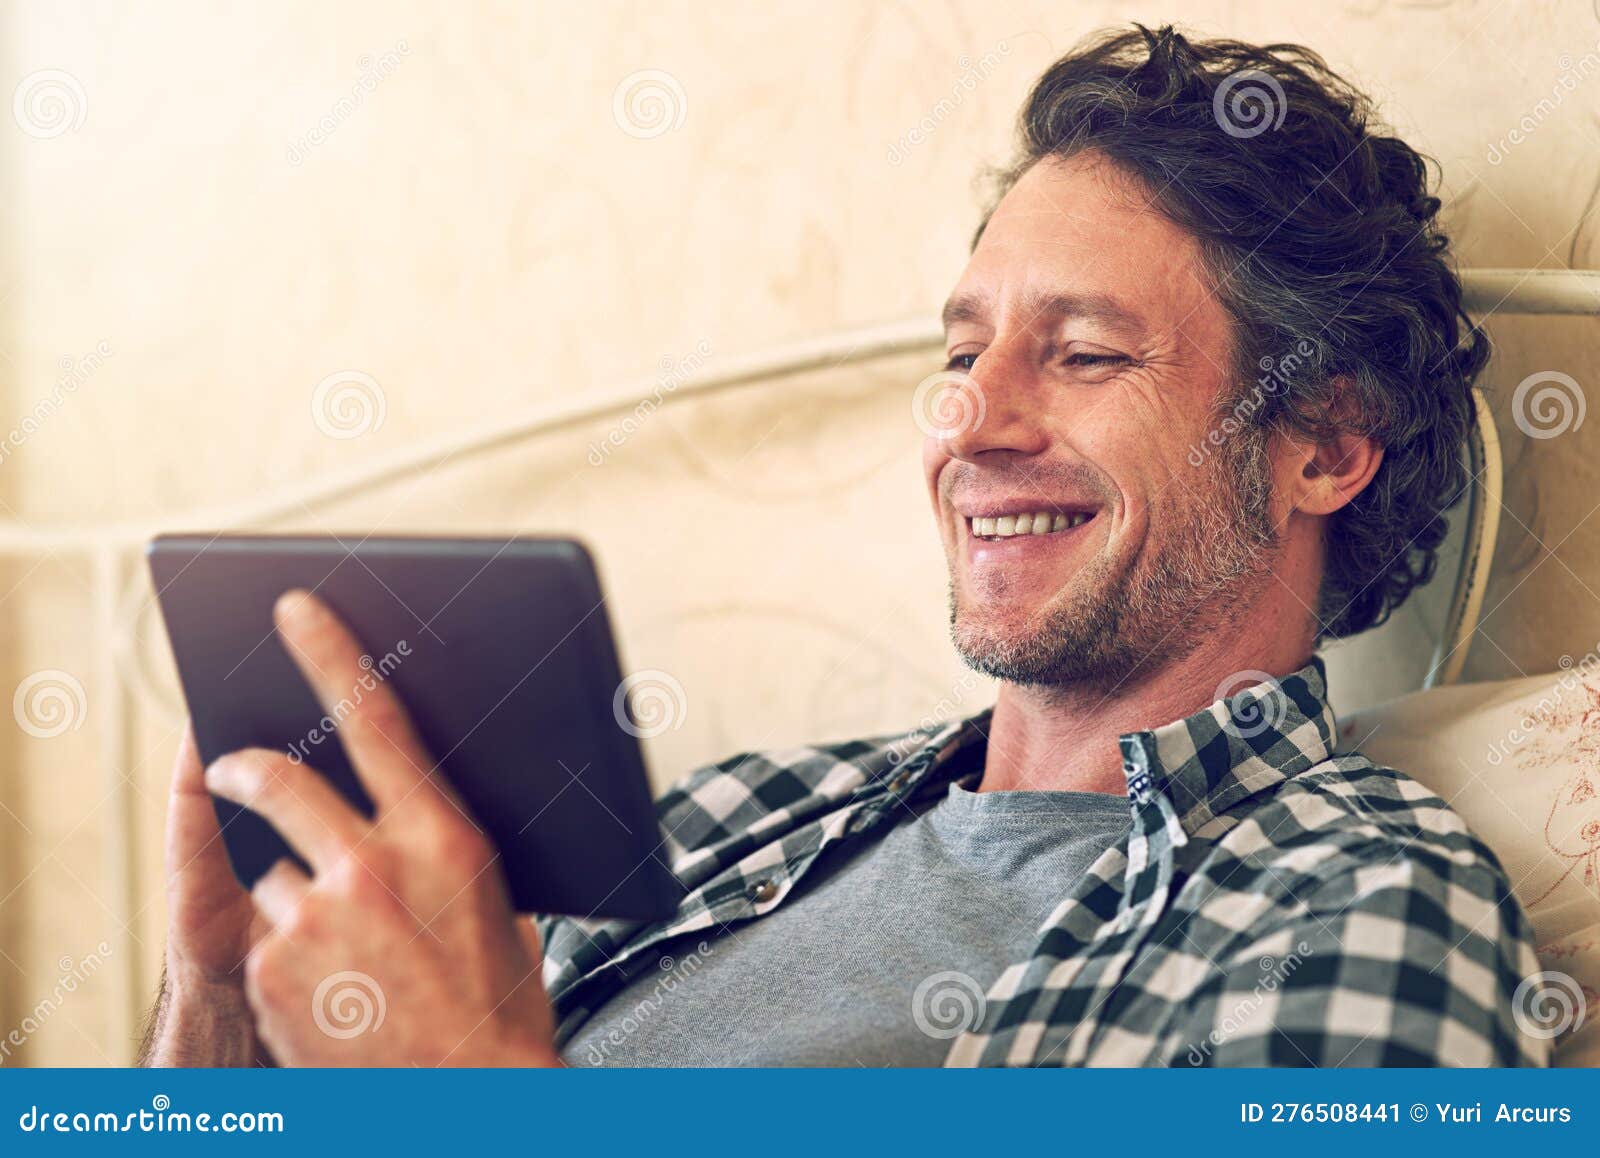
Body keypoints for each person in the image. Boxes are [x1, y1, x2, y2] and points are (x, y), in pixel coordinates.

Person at [141, 24, 1546, 1068]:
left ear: (1323, 444)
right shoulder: (718, 821)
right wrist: (214, 991)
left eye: (1087, 352)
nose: (969, 417)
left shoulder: (1356, 903)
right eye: (961, 349)